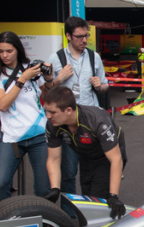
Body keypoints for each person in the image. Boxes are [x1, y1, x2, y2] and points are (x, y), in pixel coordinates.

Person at [40, 85, 127, 219]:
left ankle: (104, 226)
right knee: (87, 195)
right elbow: (54, 159)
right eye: (46, 111)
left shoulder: (97, 121)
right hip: (86, 153)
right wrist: (55, 189)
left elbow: (116, 159)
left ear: (68, 110)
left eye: (52, 112)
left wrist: (113, 195)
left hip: (107, 155)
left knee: (99, 197)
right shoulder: (53, 124)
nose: (48, 116)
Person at [0, 31, 49, 203]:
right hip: (12, 138)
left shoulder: (30, 67)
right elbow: (3, 105)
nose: (4, 55)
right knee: (1, 183)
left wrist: (50, 78)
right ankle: (3, 222)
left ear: (18, 50)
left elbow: (46, 93)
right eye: (0, 51)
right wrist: (22, 79)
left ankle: (47, 223)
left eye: (9, 51)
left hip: (39, 135)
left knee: (44, 187)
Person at [45, 16, 108, 195]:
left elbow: (105, 86)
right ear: (68, 36)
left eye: (86, 35)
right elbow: (47, 90)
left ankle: (94, 209)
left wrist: (99, 86)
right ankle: (70, 214)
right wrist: (58, 79)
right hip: (67, 122)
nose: (84, 40)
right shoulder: (56, 58)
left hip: (91, 120)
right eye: (79, 36)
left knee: (94, 170)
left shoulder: (94, 57)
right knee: (69, 171)